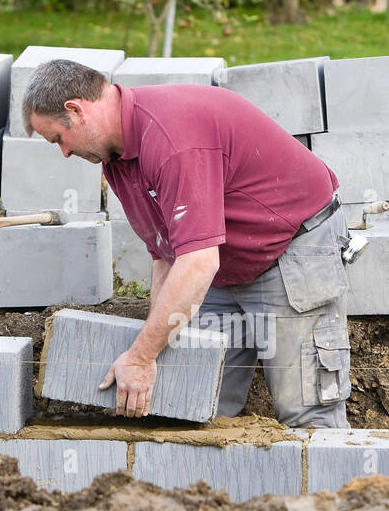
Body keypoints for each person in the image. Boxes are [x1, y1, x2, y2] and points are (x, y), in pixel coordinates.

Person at [23, 59, 351, 428]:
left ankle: (327, 483)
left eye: (57, 140)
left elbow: (197, 262)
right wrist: (153, 344)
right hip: (221, 264)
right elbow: (166, 256)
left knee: (306, 411)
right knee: (197, 404)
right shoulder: (116, 158)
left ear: (76, 110)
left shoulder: (171, 139)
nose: (64, 153)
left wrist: (141, 357)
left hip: (292, 248)